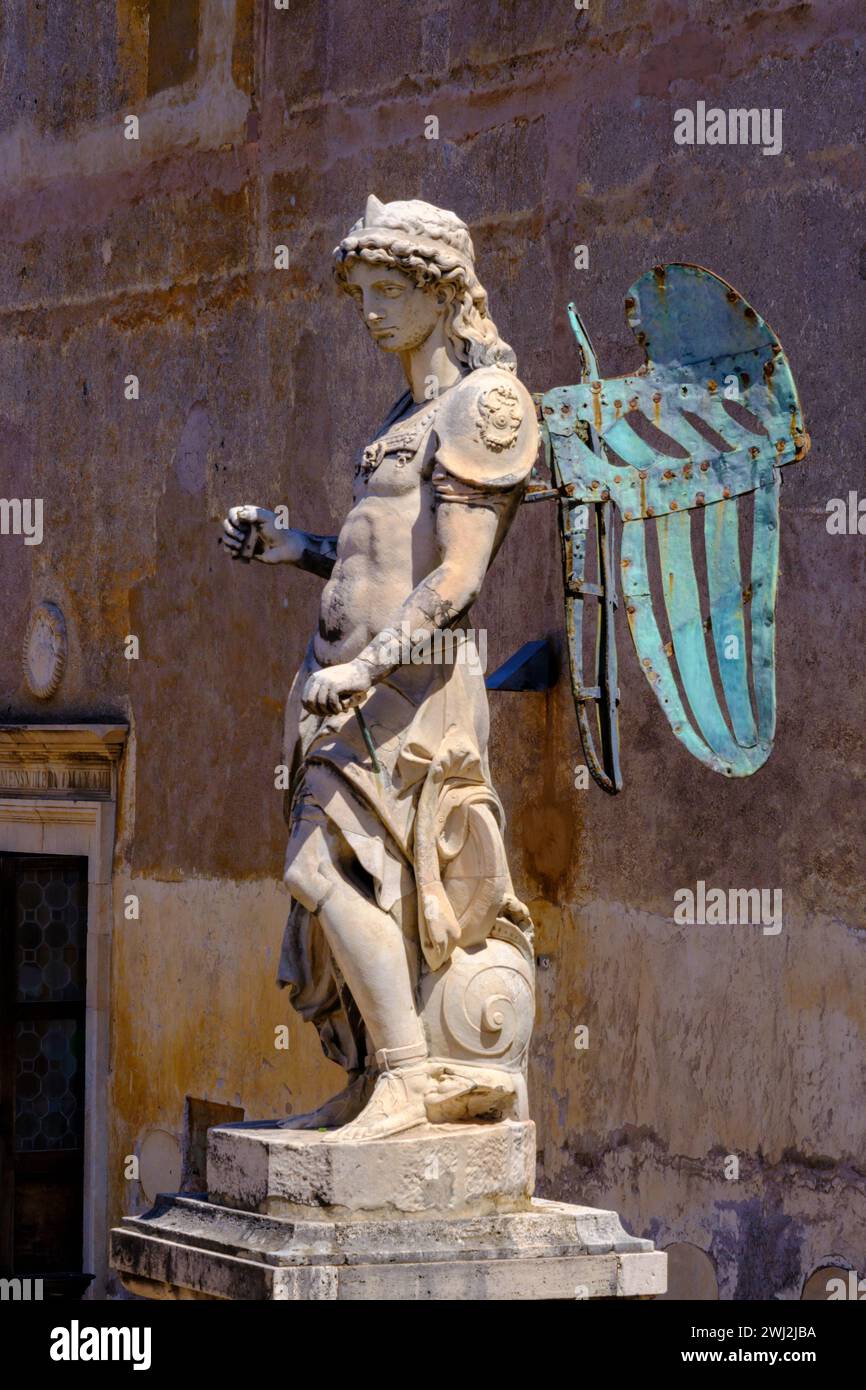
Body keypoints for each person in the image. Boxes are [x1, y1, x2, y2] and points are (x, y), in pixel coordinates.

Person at [222, 197, 537, 1140]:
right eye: (362, 292)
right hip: (345, 682)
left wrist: (368, 672)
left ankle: (408, 1078)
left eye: (390, 290)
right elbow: (378, 553)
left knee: (317, 870)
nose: (371, 310)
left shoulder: (484, 407)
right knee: (362, 894)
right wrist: (294, 549)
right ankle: (377, 1085)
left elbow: (457, 574)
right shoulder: (407, 411)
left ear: (444, 297)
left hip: (411, 691)